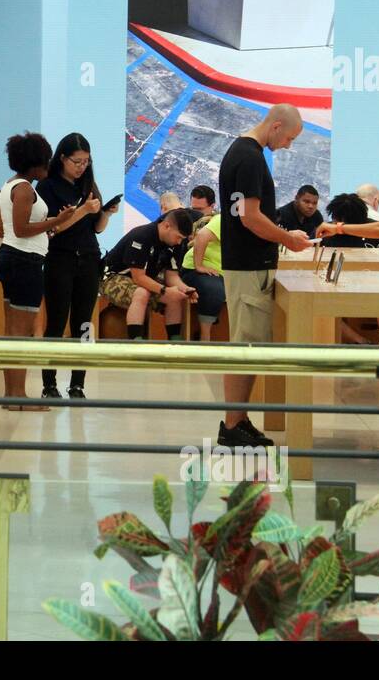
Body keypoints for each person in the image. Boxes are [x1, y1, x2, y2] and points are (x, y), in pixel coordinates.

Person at [219, 103, 312, 449]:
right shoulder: (250, 158)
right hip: (248, 265)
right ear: (275, 126)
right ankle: (231, 426)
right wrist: (289, 238)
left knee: (251, 344)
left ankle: (239, 418)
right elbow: (250, 218)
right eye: (288, 138)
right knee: (246, 346)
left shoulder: (243, 152)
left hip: (248, 263)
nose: (288, 145)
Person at [0, 132, 91, 410]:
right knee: (21, 334)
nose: (48, 164)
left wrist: (49, 222)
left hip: (12, 258)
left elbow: (4, 228)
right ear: (34, 161)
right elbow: (22, 229)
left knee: (13, 331)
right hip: (24, 262)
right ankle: (18, 396)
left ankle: (12, 395)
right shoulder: (24, 189)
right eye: (45, 159)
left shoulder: (10, 185)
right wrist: (56, 221)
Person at [38, 132, 114, 400]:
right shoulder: (47, 186)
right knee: (56, 322)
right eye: (76, 162)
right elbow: (52, 229)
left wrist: (104, 213)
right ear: (62, 158)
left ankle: (78, 383)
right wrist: (81, 211)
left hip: (89, 258)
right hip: (60, 258)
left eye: (86, 162)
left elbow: (96, 229)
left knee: (84, 324)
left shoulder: (89, 186)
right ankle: (49, 384)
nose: (82, 167)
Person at [101, 209, 197, 339]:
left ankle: (175, 341)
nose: (180, 242)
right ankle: (136, 341)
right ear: (166, 226)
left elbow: (172, 276)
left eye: (182, 239)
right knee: (142, 293)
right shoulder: (142, 236)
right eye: (178, 237)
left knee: (175, 296)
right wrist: (164, 290)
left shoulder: (175, 244)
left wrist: (184, 289)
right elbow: (138, 277)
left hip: (144, 279)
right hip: (113, 277)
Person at [174, 211, 226, 342]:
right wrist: (199, 266)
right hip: (195, 269)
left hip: (224, 273)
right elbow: (202, 236)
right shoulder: (224, 219)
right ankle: (204, 338)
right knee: (214, 289)